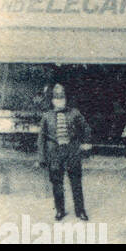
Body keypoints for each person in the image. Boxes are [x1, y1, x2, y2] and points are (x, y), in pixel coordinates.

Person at [38, 83, 90, 222]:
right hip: (54, 152)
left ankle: (80, 211)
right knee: (57, 183)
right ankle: (60, 210)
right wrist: (42, 157)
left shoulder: (75, 113)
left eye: (62, 98)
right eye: (56, 99)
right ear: (52, 100)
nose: (59, 101)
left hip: (72, 150)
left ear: (66, 99)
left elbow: (85, 128)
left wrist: (85, 143)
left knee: (76, 182)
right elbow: (41, 138)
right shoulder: (46, 116)